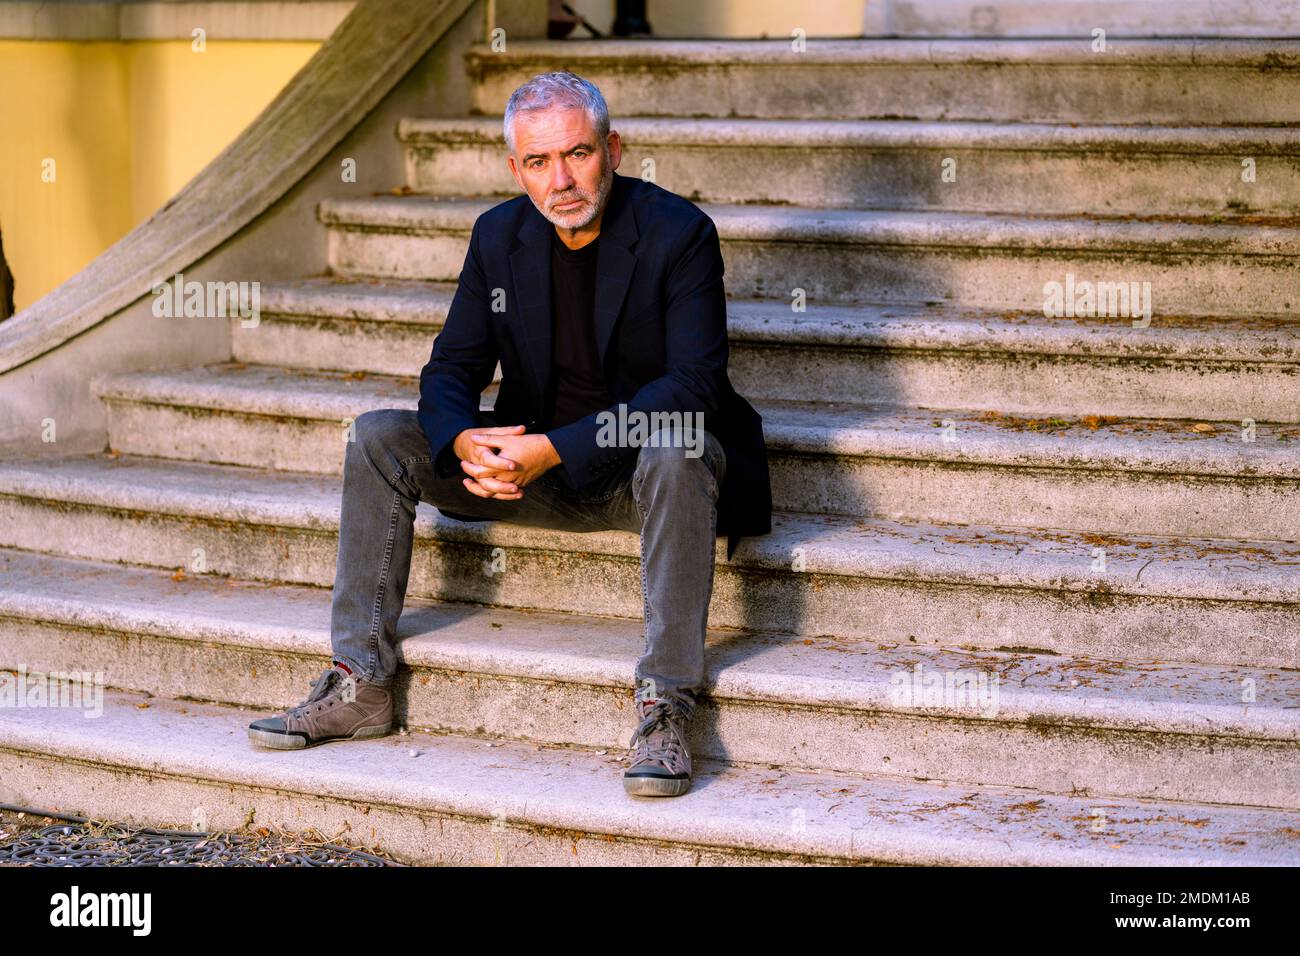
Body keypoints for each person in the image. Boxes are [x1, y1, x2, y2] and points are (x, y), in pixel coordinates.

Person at [248, 71, 771, 798]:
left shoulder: (679, 235)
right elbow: (452, 367)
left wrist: (552, 448)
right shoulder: (500, 235)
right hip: (531, 471)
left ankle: (666, 708)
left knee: (681, 443)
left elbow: (693, 386)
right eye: (538, 162)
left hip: (641, 478)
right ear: (514, 169)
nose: (561, 180)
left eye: (578, 154)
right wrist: (465, 441)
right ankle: (362, 680)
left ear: (613, 149)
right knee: (377, 436)